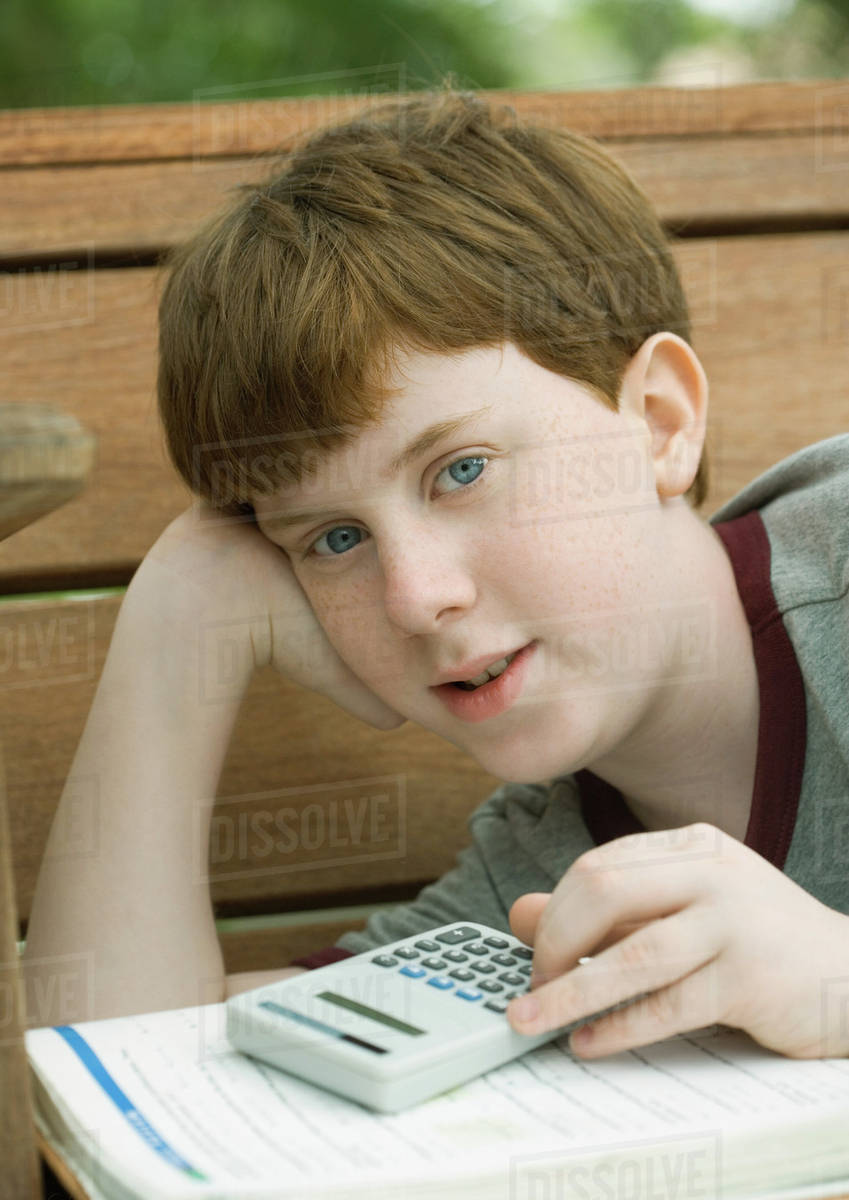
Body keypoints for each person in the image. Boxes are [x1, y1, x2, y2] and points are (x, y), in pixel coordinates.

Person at [23, 86, 849, 1060]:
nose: (417, 598)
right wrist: (179, 615)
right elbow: (130, 1072)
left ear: (660, 424)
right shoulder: (537, 875)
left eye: (462, 471)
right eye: (333, 539)